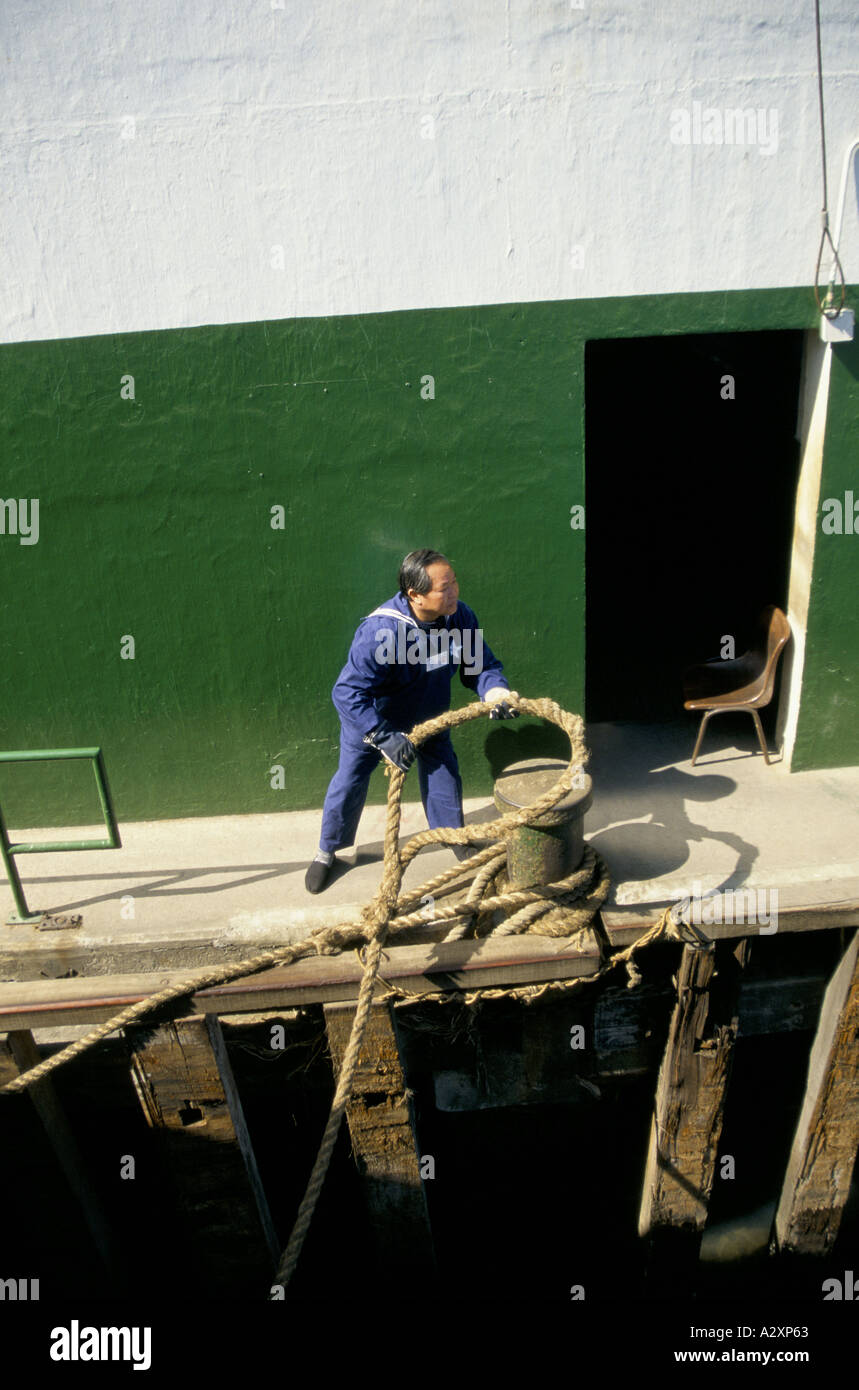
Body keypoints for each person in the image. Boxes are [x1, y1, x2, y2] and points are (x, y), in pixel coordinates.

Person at [305, 549, 518, 893]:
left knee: (443, 770)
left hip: (429, 716)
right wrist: (381, 734)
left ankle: (452, 836)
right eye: (443, 588)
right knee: (349, 780)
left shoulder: (459, 618)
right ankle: (327, 852)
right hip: (373, 723)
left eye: (454, 583)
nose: (454, 593)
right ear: (415, 595)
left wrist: (495, 692)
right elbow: (346, 693)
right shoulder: (381, 632)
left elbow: (480, 667)